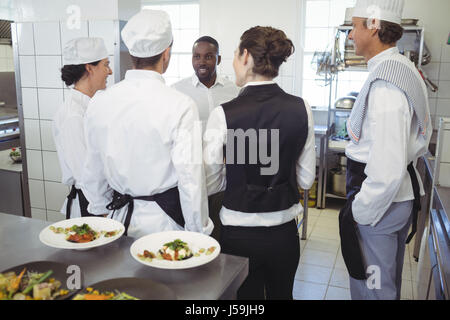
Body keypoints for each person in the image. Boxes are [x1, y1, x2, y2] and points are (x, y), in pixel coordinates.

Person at [203, 26, 316, 300]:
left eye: (234, 55)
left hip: (238, 233)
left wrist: (240, 171)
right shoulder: (301, 108)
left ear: (245, 56)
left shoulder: (224, 114)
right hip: (284, 233)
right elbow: (305, 180)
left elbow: (212, 180)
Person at [79, 10, 213, 238]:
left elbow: (92, 168)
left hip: (117, 221)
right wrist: (198, 232)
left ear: (131, 53)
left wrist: (101, 211)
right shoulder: (180, 104)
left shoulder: (100, 101)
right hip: (165, 225)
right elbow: (190, 180)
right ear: (167, 53)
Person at [339, 0, 432, 300]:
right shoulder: (402, 67)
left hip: (380, 206)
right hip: (394, 201)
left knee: (374, 291)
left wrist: (361, 210)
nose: (350, 35)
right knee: (385, 285)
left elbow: (387, 168)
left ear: (374, 25)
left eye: (354, 26)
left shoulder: (386, 84)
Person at [172, 36, 239, 241]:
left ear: (218, 60)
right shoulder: (177, 91)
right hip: (187, 177)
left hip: (222, 178)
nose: (201, 62)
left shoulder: (234, 91)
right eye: (197, 56)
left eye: (209, 56)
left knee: (219, 234)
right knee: (190, 236)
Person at [53, 37, 112, 219]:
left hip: (100, 201)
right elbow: (85, 175)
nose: (109, 71)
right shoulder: (74, 115)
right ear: (89, 68)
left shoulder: (91, 105)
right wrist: (103, 214)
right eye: (105, 65)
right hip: (91, 206)